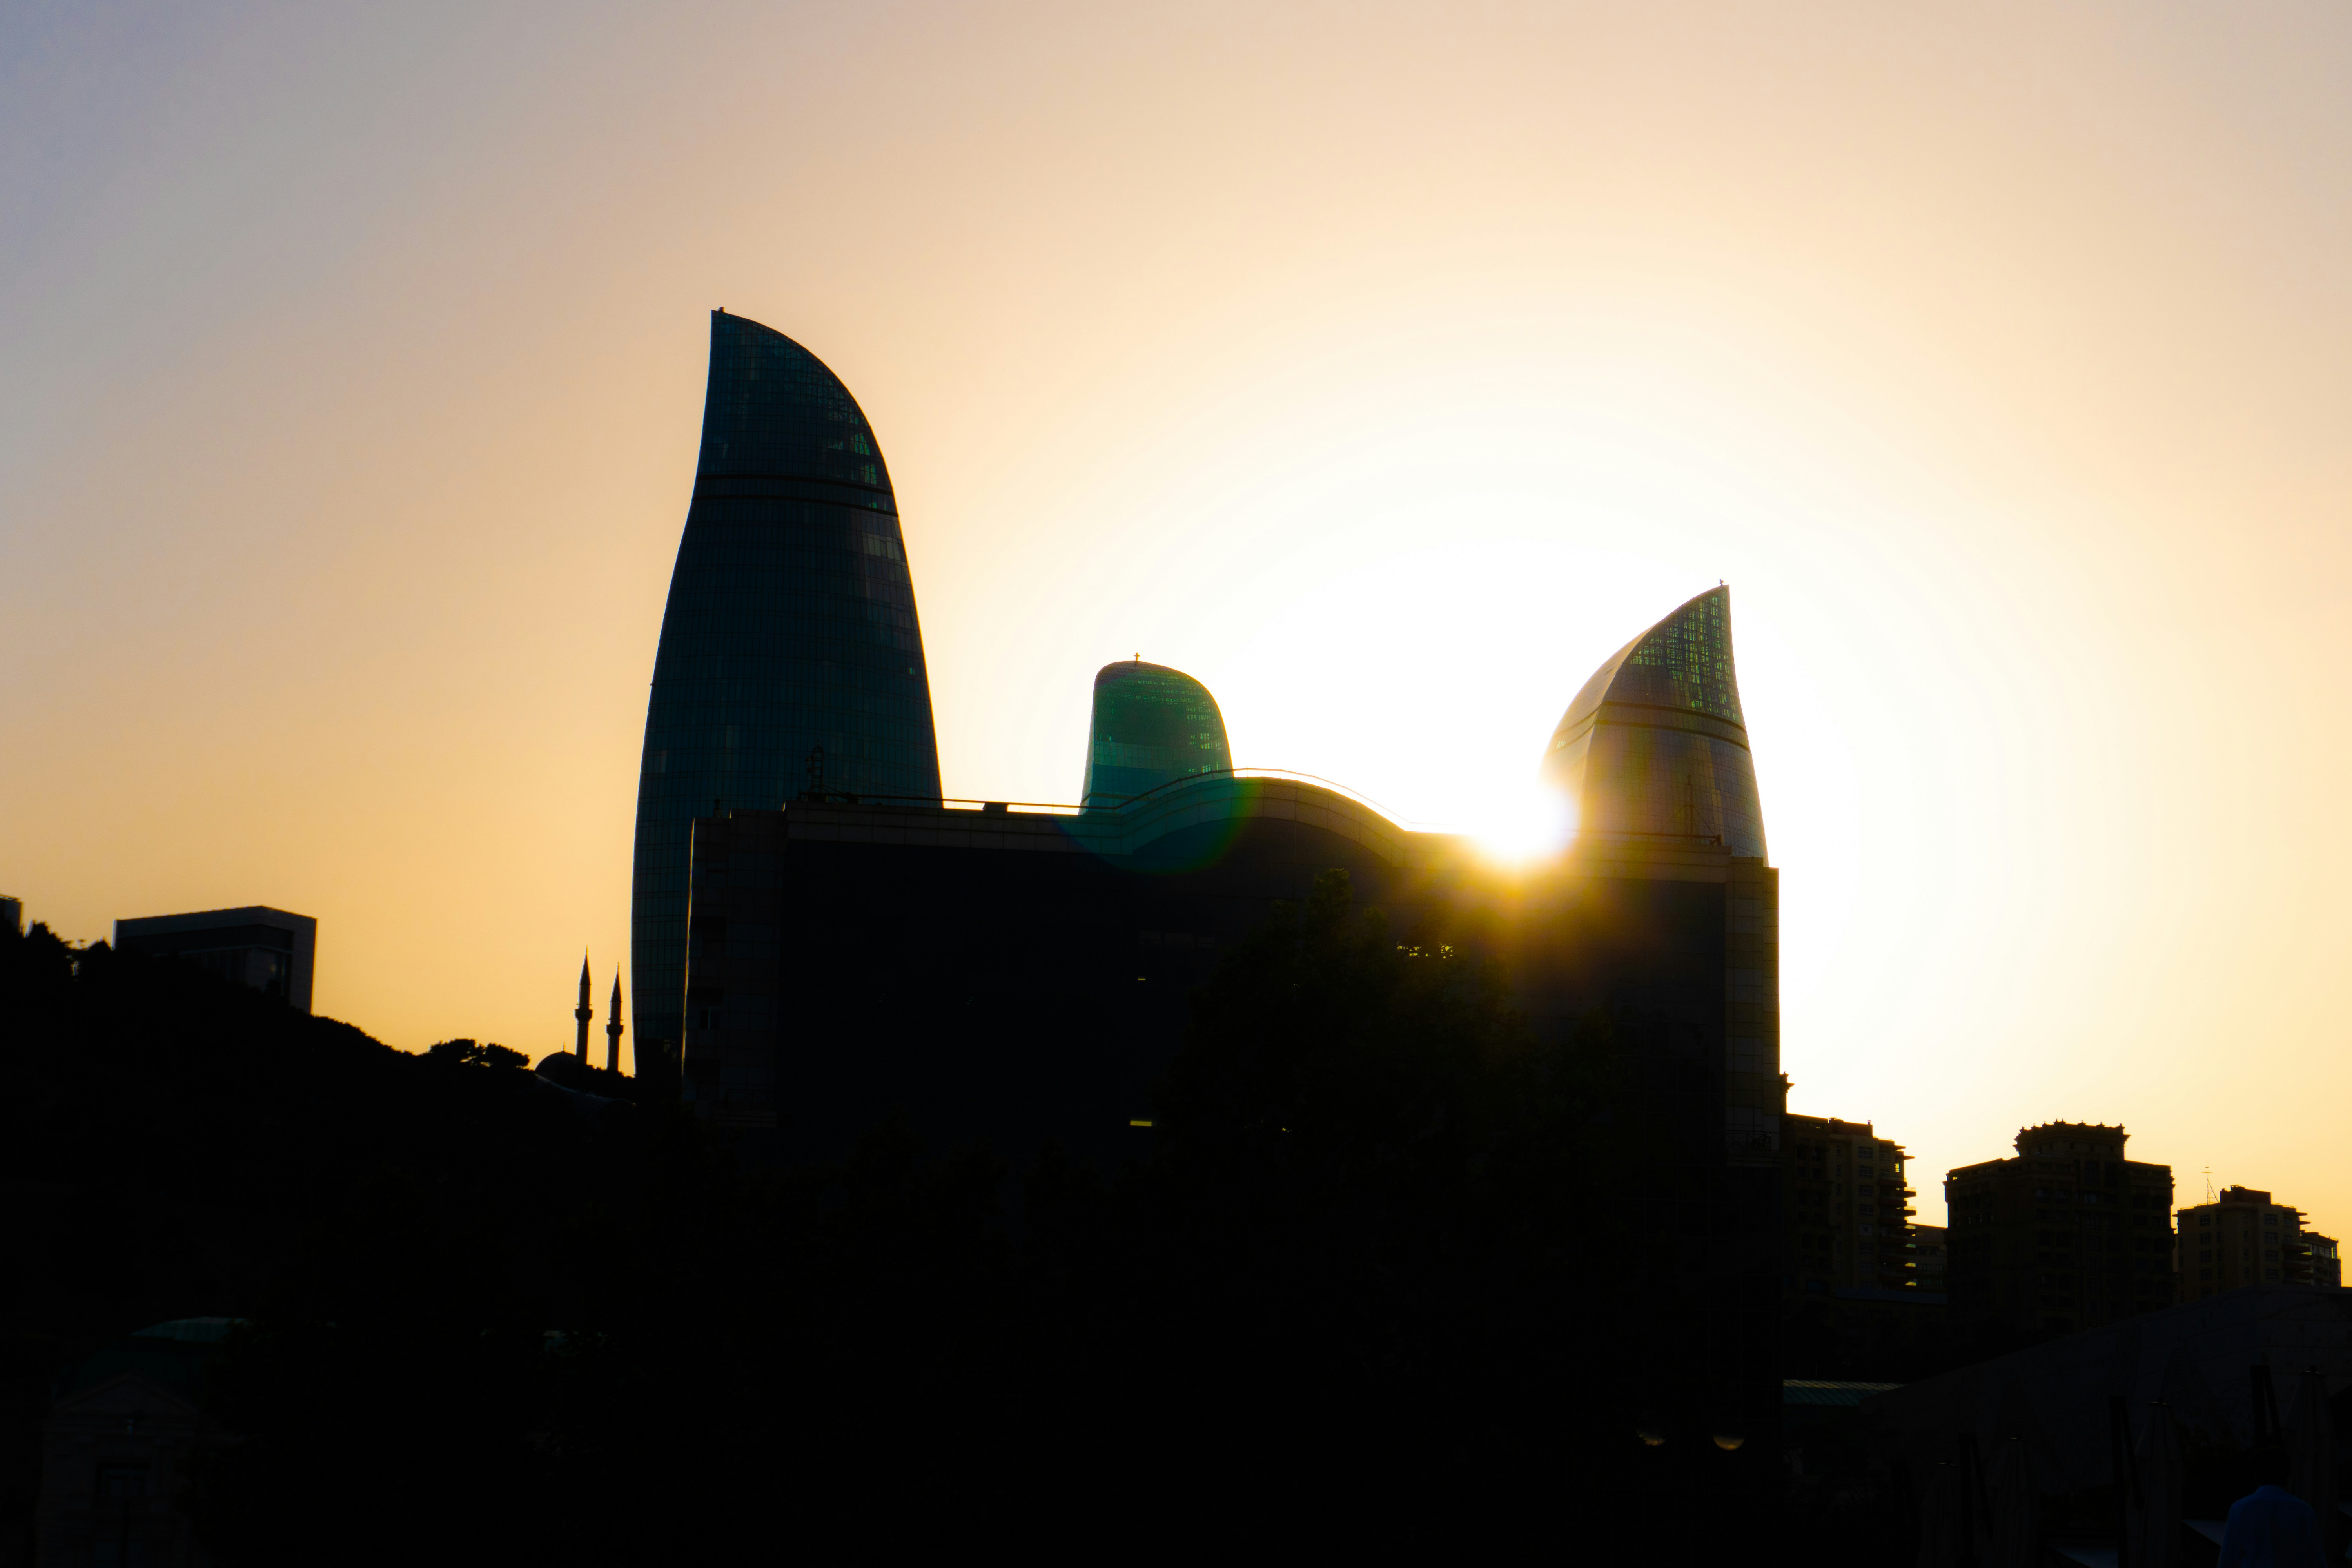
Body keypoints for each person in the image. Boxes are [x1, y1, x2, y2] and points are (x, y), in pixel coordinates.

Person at [2219, 1446, 2327, 1568]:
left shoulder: (2241, 1509)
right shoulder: (2304, 1510)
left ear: (2256, 1474)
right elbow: (2317, 1560)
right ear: (2287, 1474)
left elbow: (2228, 1560)